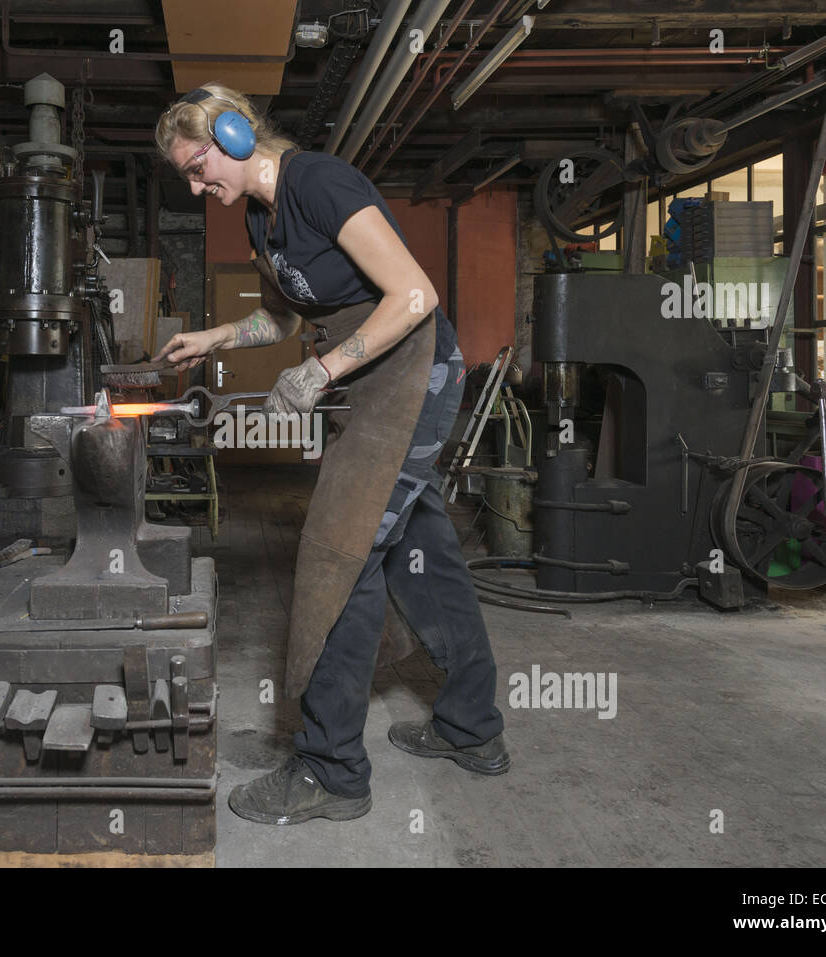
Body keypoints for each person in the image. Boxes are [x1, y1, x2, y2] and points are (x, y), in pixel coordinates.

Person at [153, 83, 508, 826]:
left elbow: (413, 294)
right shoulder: (262, 216)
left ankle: (332, 767)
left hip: (416, 374)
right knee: (423, 551)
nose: (196, 185)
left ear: (234, 134)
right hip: (373, 379)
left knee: (340, 551)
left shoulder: (319, 182)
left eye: (196, 166)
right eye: (187, 176)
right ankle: (473, 726)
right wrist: (215, 339)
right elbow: (285, 314)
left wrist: (320, 370)